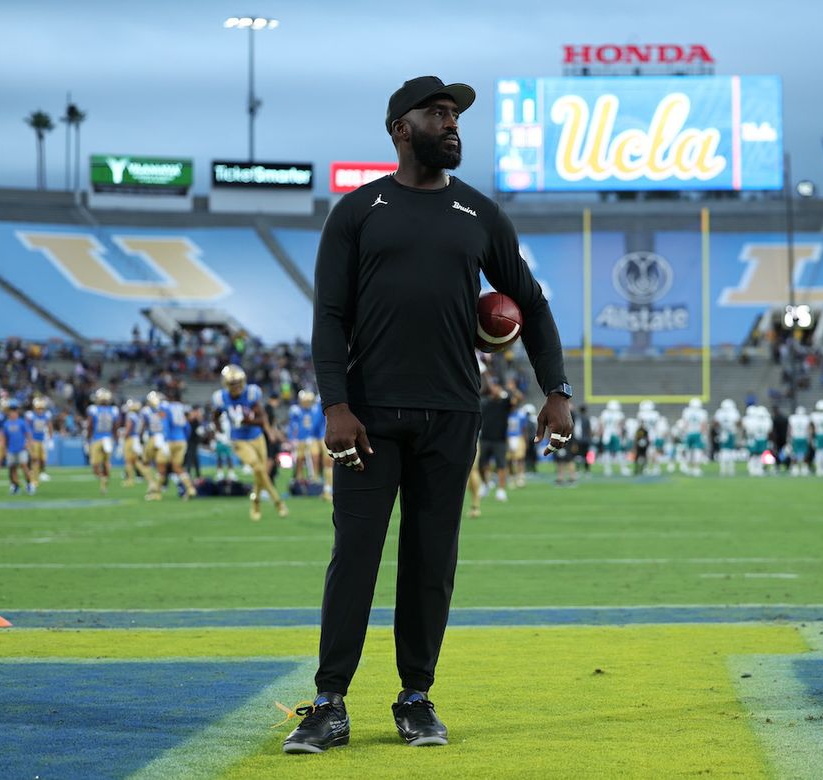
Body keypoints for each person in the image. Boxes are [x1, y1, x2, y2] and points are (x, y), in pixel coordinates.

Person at [285, 76, 573, 755]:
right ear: (400, 128)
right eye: (437, 113)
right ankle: (329, 704)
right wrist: (335, 404)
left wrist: (556, 390)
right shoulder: (358, 211)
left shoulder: (480, 214)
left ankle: (415, 698)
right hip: (369, 415)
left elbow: (531, 303)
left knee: (431, 560)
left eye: (455, 115)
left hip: (451, 412)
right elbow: (329, 316)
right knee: (355, 555)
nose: (451, 124)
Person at [211, 365, 288, 520]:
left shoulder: (251, 393)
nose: (236, 387)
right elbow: (215, 415)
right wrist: (218, 431)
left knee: (260, 472)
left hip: (257, 437)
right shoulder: (221, 397)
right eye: (232, 383)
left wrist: (249, 421)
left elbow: (262, 418)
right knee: (258, 468)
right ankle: (278, 502)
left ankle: (255, 502)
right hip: (239, 440)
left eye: (238, 383)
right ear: (226, 384)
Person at [85, 388, 120, 494]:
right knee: (106, 463)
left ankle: (102, 482)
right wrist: (117, 440)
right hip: (108, 440)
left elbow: (90, 426)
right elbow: (115, 427)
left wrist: (87, 439)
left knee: (95, 464)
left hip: (97, 439)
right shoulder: (113, 410)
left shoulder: (93, 409)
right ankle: (104, 483)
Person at [0, 400, 35, 495]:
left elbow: (28, 434)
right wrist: (4, 449)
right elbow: (4, 437)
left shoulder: (21, 422)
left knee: (24, 466)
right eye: (11, 411)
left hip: (21, 449)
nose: (12, 413)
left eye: (14, 411)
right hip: (11, 449)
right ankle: (15, 486)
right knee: (12, 468)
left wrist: (29, 444)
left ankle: (29, 484)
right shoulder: (6, 424)